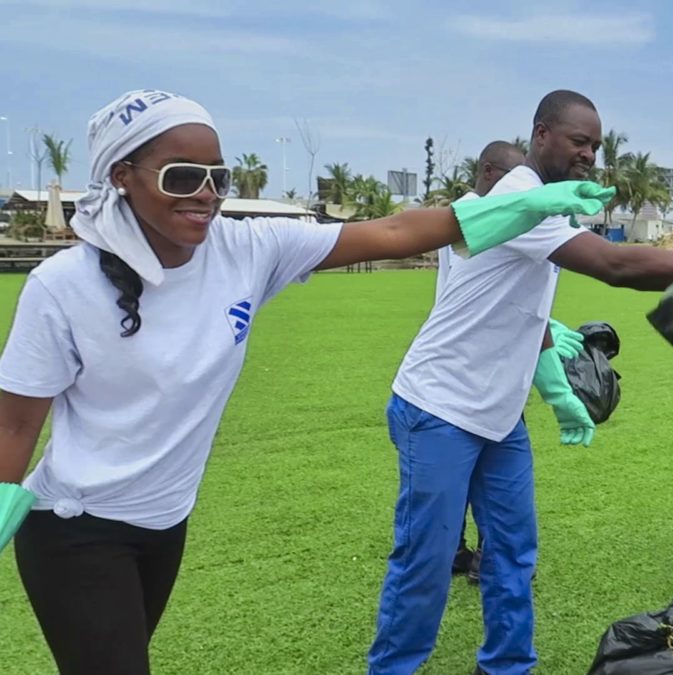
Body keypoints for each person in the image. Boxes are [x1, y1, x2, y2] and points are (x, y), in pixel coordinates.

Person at [0, 89, 612, 675]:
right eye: (182, 176)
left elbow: (393, 233)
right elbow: (13, 422)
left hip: (164, 524)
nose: (206, 194)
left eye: (219, 177)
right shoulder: (62, 287)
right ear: (121, 176)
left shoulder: (246, 249)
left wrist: (516, 206)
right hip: (77, 528)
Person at [368, 90, 673, 675]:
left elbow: (524, 314)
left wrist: (559, 395)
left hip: (498, 415)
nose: (589, 154)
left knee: (512, 552)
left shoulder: (549, 208)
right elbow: (618, 266)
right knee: (425, 561)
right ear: (541, 134)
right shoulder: (520, 198)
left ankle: (507, 666)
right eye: (578, 141)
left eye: (596, 145)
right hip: (439, 407)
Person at [439, 140, 586, 582]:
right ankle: (477, 552)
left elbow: (507, 295)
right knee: (478, 475)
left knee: (476, 475)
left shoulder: (481, 215)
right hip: (475, 370)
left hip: (491, 366)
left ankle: (463, 551)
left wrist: (545, 325)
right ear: (488, 173)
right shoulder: (479, 216)